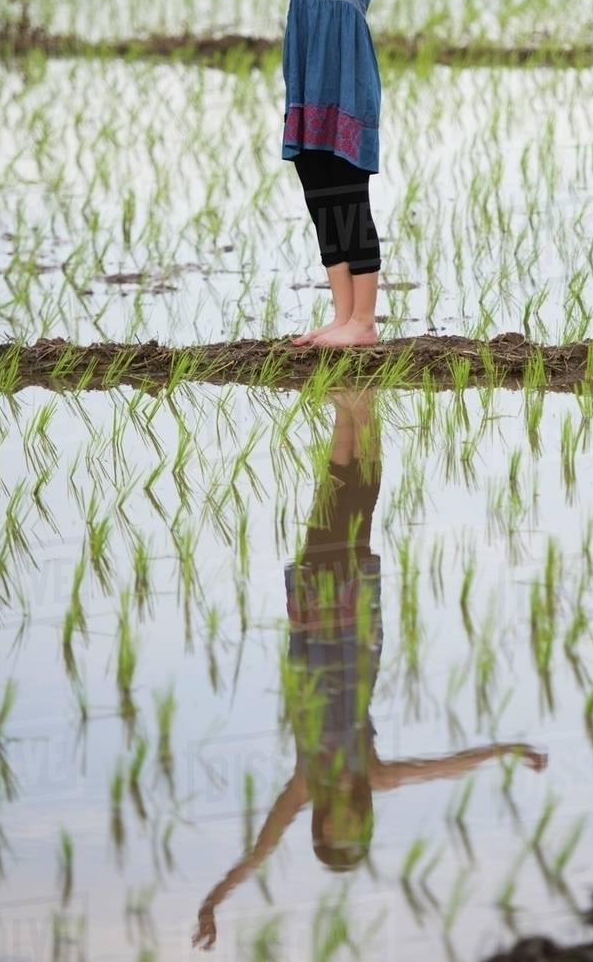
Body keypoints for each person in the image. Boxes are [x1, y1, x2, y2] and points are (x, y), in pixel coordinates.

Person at [183, 0, 550, 350]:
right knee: (318, 195)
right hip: (306, 88)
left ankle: (366, 322)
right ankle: (341, 317)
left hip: (349, 88)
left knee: (350, 198)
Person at [192, 387, 547, 951]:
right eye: (352, 835)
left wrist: (215, 899)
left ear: (321, 830)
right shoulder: (371, 775)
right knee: (356, 516)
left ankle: (351, 408)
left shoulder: (307, 784)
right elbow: (442, 767)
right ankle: (358, 407)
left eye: (335, 836)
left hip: (312, 640)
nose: (343, 827)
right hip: (356, 643)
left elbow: (261, 846)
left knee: (330, 516)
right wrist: (505, 750)